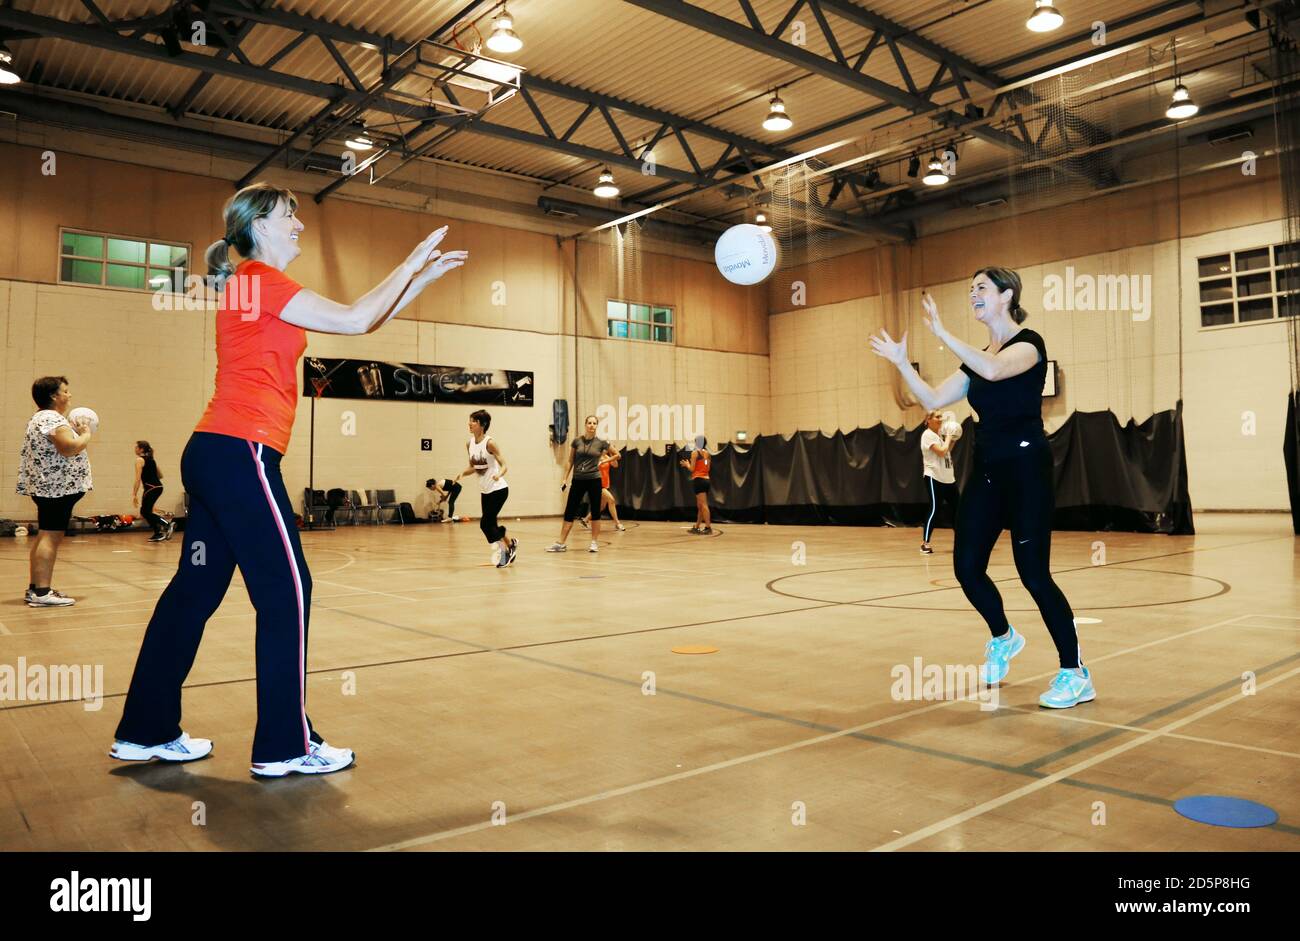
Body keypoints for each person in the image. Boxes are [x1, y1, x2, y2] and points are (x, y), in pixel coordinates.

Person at [111, 181, 467, 774]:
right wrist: (407, 263)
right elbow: (355, 318)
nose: (300, 225)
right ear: (258, 227)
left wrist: (419, 282)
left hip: (213, 453)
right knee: (288, 591)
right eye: (289, 217)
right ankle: (285, 745)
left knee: (193, 592)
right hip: (241, 452)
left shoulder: (253, 286)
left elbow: (364, 323)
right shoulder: (261, 280)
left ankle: (146, 730)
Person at [869, 267, 1095, 709]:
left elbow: (993, 369)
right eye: (970, 287)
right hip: (988, 470)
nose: (973, 293)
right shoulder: (975, 357)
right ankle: (1004, 636)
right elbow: (933, 399)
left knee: (1034, 575)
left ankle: (1075, 673)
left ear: (1006, 296)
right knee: (967, 567)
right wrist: (899, 362)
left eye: (982, 288)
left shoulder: (1029, 345)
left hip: (1027, 470)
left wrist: (942, 332)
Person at [17, 376, 93, 607]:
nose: (69, 395)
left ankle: (36, 588)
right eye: (66, 391)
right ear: (54, 396)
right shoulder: (50, 417)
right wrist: (86, 434)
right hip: (56, 489)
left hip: (51, 489)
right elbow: (68, 447)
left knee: (45, 535)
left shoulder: (41, 418)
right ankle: (42, 593)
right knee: (50, 536)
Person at [547, 415, 619, 553]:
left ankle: (594, 543)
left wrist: (605, 461)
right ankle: (561, 543)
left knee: (596, 512)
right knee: (570, 510)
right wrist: (564, 478)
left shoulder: (601, 443)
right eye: (589, 423)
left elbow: (617, 455)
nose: (592, 425)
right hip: (578, 479)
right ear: (585, 425)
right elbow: (570, 461)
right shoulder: (577, 442)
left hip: (594, 480)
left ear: (597, 426)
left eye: (594, 423)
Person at [457, 410, 515, 566]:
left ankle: (504, 553)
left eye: (474, 421)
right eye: (470, 420)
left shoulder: (490, 443)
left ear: (482, 425)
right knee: (491, 524)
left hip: (499, 489)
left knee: (485, 524)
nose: (470, 423)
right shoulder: (469, 444)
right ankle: (510, 544)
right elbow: (474, 467)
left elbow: (504, 464)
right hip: (486, 491)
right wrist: (462, 473)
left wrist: (499, 474)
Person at [919, 411, 957, 554]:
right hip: (934, 477)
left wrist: (952, 439)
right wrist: (948, 437)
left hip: (948, 478)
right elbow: (941, 452)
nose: (940, 419)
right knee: (935, 508)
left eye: (941, 417)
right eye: (937, 417)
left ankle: (961, 542)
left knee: (958, 511)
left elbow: (946, 452)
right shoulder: (927, 435)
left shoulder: (938, 437)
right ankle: (925, 543)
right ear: (928, 420)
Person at [134, 441, 174, 542]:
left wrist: (134, 494)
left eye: (136, 447)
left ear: (141, 449)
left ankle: (166, 525)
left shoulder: (139, 460)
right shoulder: (152, 460)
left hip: (151, 487)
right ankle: (158, 533)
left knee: (145, 511)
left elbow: (138, 479)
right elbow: (160, 475)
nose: (135, 449)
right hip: (158, 486)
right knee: (146, 511)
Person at [580, 450, 625, 532]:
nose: (606, 449)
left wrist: (612, 455)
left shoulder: (607, 457)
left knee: (602, 506)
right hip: (597, 485)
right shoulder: (595, 458)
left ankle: (585, 520)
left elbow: (615, 465)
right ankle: (617, 523)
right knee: (611, 500)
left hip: (605, 485)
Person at [679, 435, 712, 534]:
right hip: (706, 480)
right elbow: (707, 468)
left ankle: (708, 527)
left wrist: (687, 464)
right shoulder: (707, 454)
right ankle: (697, 526)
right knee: (700, 506)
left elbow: (692, 469)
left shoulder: (695, 453)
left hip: (699, 480)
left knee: (703, 505)